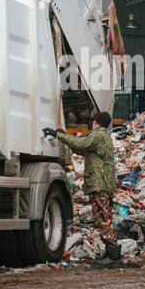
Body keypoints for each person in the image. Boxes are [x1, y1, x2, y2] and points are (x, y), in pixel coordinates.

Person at [44, 111, 120, 266]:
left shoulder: (98, 134)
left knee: (104, 219)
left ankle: (114, 256)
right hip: (102, 184)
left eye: (93, 121)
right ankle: (110, 253)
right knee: (102, 218)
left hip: (101, 184)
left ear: (96, 122)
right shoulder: (101, 137)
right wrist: (65, 137)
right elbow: (82, 149)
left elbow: (81, 144)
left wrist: (59, 136)